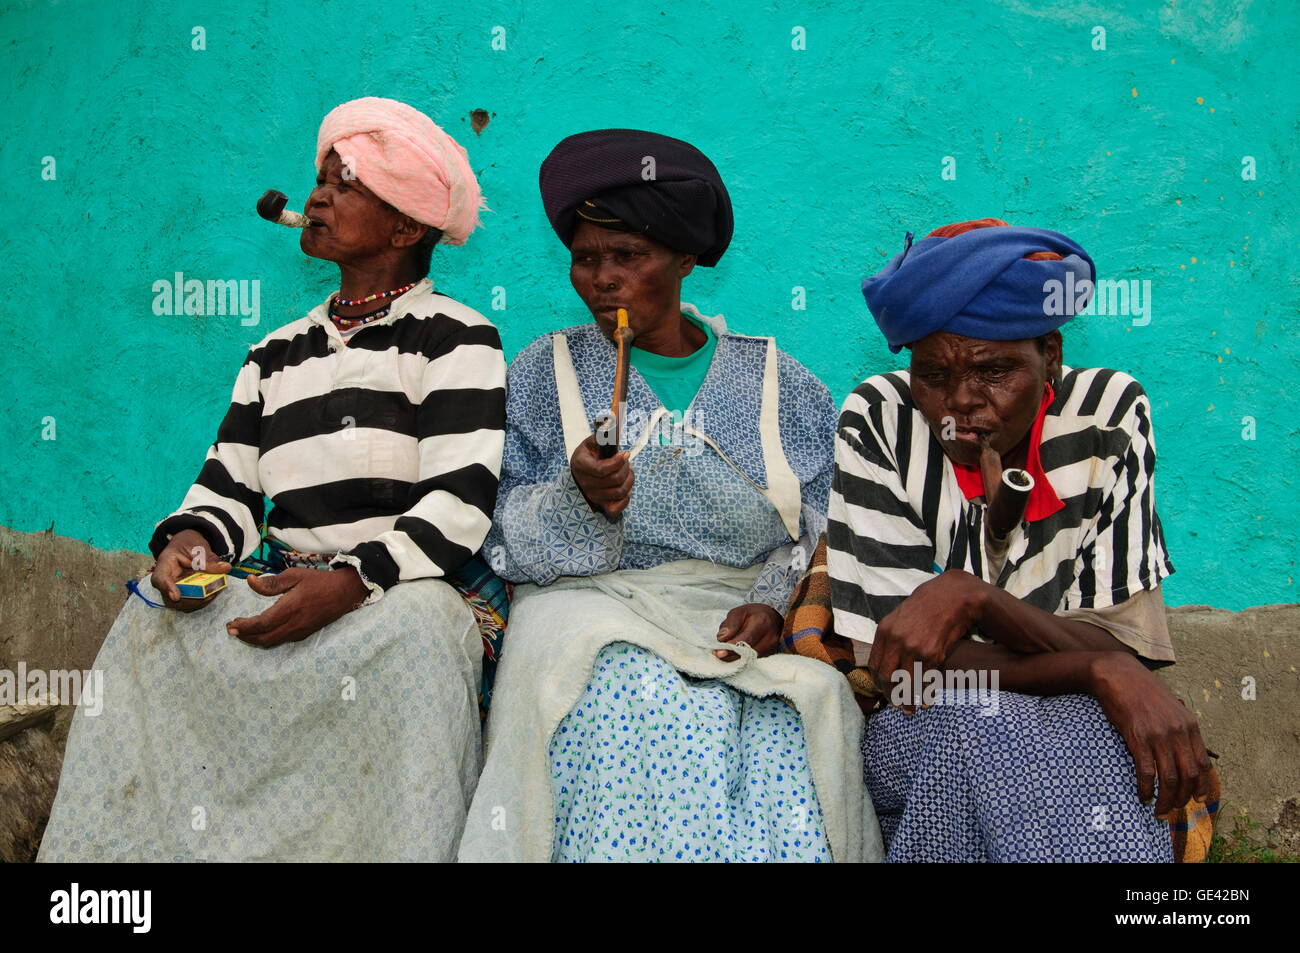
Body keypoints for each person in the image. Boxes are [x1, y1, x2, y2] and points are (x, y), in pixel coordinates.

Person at [38, 97, 506, 862]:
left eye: (343, 183)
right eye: (318, 180)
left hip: (406, 586)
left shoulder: (457, 338)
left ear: (405, 226)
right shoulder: (274, 354)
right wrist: (191, 539)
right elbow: (228, 484)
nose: (316, 197)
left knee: (417, 637)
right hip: (286, 573)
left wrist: (355, 582)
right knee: (149, 620)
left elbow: (458, 503)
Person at [457, 129, 877, 863]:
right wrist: (575, 497)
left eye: (628, 256)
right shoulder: (544, 370)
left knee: (793, 725)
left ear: (685, 259)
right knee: (630, 695)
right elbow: (497, 534)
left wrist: (777, 603)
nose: (602, 279)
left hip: (738, 612)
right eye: (586, 259)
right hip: (593, 606)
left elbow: (827, 520)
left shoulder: (778, 379)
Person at [812, 217, 1213, 862]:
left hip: (1078, 715)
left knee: (1042, 739)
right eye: (934, 376)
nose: (959, 404)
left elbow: (1122, 641)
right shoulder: (879, 420)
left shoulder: (1109, 414)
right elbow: (904, 673)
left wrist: (977, 601)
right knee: (982, 724)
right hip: (917, 722)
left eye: (994, 371)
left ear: (1050, 355)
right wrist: (1092, 667)